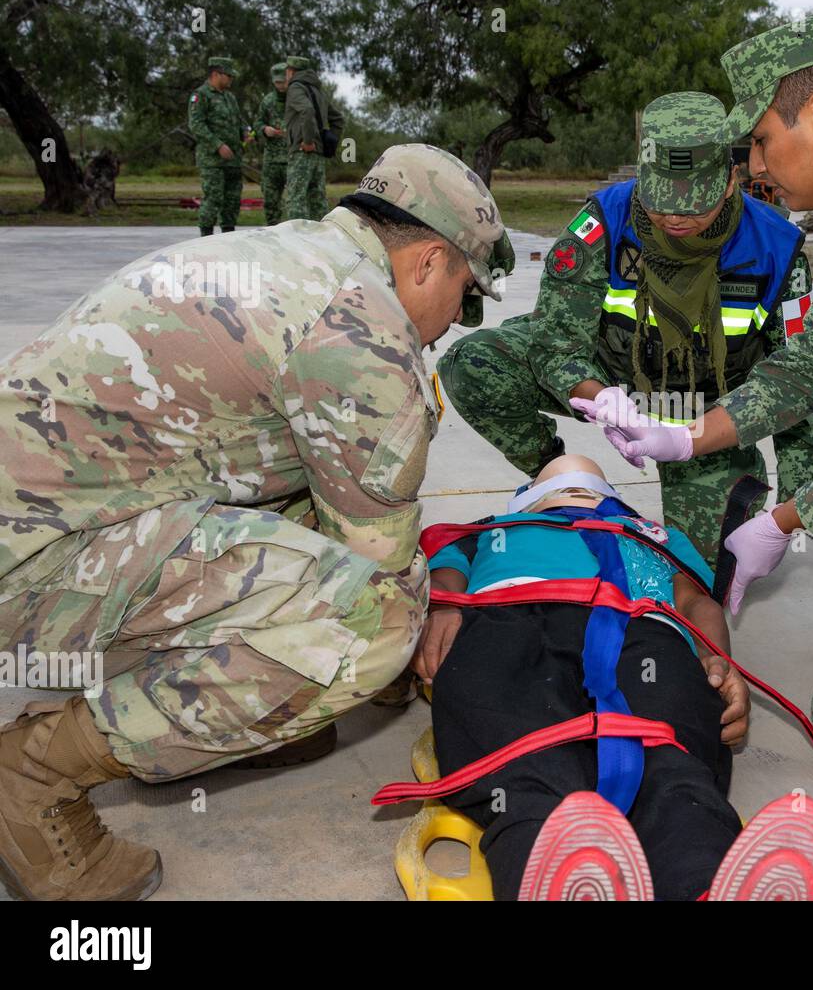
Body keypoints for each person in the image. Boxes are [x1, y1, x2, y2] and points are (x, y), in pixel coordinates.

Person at [0, 144, 511, 902]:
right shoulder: (361, 333)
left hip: (45, 517)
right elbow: (379, 565)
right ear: (429, 262)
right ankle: (34, 772)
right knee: (375, 623)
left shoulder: (289, 252)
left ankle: (245, 705)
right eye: (464, 294)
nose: (452, 324)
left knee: (310, 520)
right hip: (31, 566)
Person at [580, 15, 813, 758]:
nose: (753, 165)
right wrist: (687, 438)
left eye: (759, 140)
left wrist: (785, 520)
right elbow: (808, 368)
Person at [411, 453, 813, 901]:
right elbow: (443, 582)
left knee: (672, 760)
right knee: (521, 760)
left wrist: (715, 659)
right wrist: (442, 609)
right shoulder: (484, 531)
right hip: (506, 621)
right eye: (560, 489)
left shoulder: (658, 536)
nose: (577, 495)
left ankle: (700, 876)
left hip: (640, 629)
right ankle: (552, 860)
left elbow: (696, 603)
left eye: (590, 489)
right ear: (525, 504)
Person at [440, 91, 813, 560]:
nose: (674, 218)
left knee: (705, 572)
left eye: (693, 206)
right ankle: (562, 477)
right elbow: (555, 342)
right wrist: (602, 400)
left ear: (730, 181)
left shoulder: (775, 248)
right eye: (660, 202)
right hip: (615, 380)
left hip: (708, 414)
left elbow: (806, 384)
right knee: (473, 363)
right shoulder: (604, 223)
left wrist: (789, 516)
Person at [187, 55, 249, 236]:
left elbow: (238, 121)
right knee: (213, 199)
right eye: (228, 76)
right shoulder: (201, 95)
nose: (231, 79)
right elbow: (196, 125)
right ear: (215, 74)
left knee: (232, 201)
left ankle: (228, 236)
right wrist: (218, 145)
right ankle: (205, 237)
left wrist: (245, 132)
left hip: (233, 160)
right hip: (212, 161)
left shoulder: (229, 97)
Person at [282, 54, 344, 222]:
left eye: (287, 71)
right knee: (318, 200)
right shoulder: (317, 91)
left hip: (302, 152)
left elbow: (307, 110)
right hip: (318, 155)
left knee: (296, 198)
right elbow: (338, 119)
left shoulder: (295, 87)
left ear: (291, 71)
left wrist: (308, 141)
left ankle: (297, 236)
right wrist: (329, 143)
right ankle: (322, 235)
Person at [255, 62, 290, 225]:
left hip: (292, 159)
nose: (280, 86)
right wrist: (264, 129)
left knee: (295, 201)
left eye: (283, 82)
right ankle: (272, 229)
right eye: (277, 82)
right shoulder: (267, 101)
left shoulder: (297, 100)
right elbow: (258, 123)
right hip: (272, 160)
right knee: (270, 200)